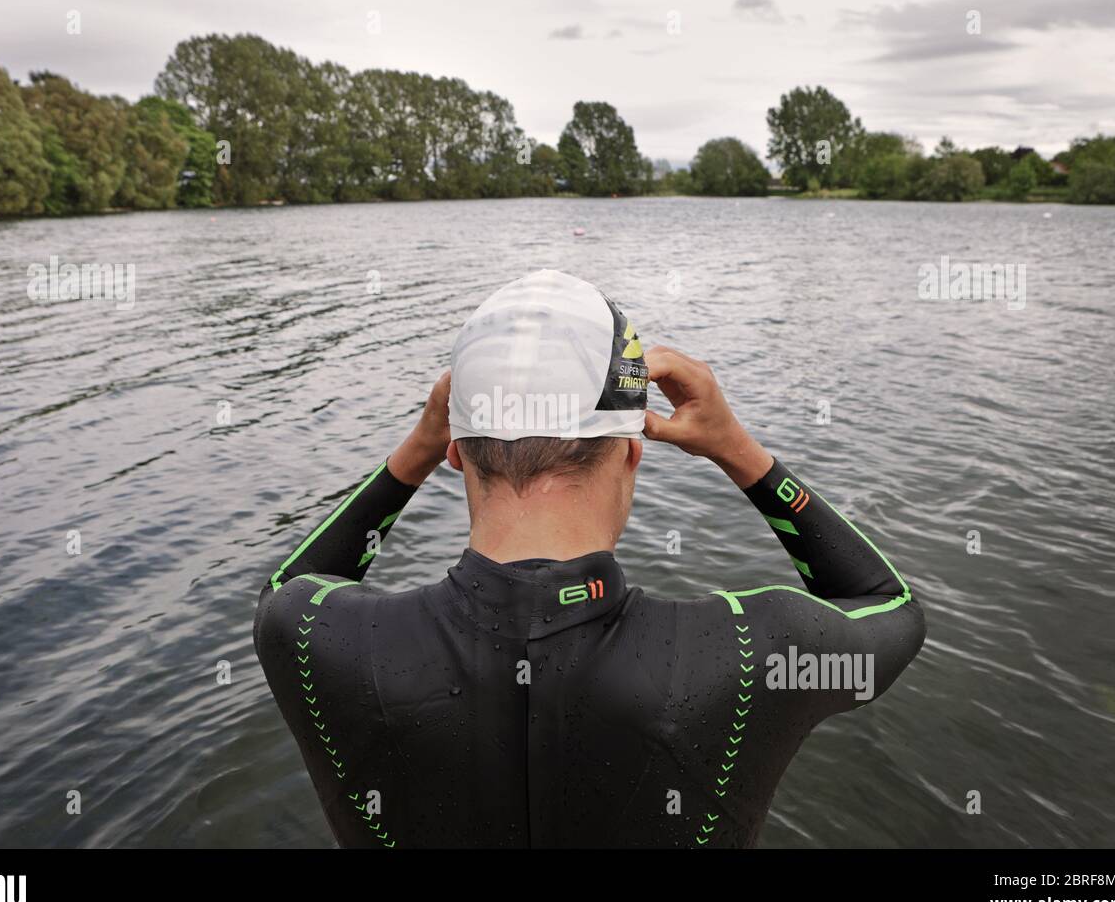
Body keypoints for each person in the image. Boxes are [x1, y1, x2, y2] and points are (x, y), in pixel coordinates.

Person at [254, 269, 925, 848]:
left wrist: (413, 453)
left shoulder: (313, 638)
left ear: (456, 452)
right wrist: (739, 452)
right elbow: (891, 607)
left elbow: (292, 584)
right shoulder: (759, 652)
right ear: (632, 450)